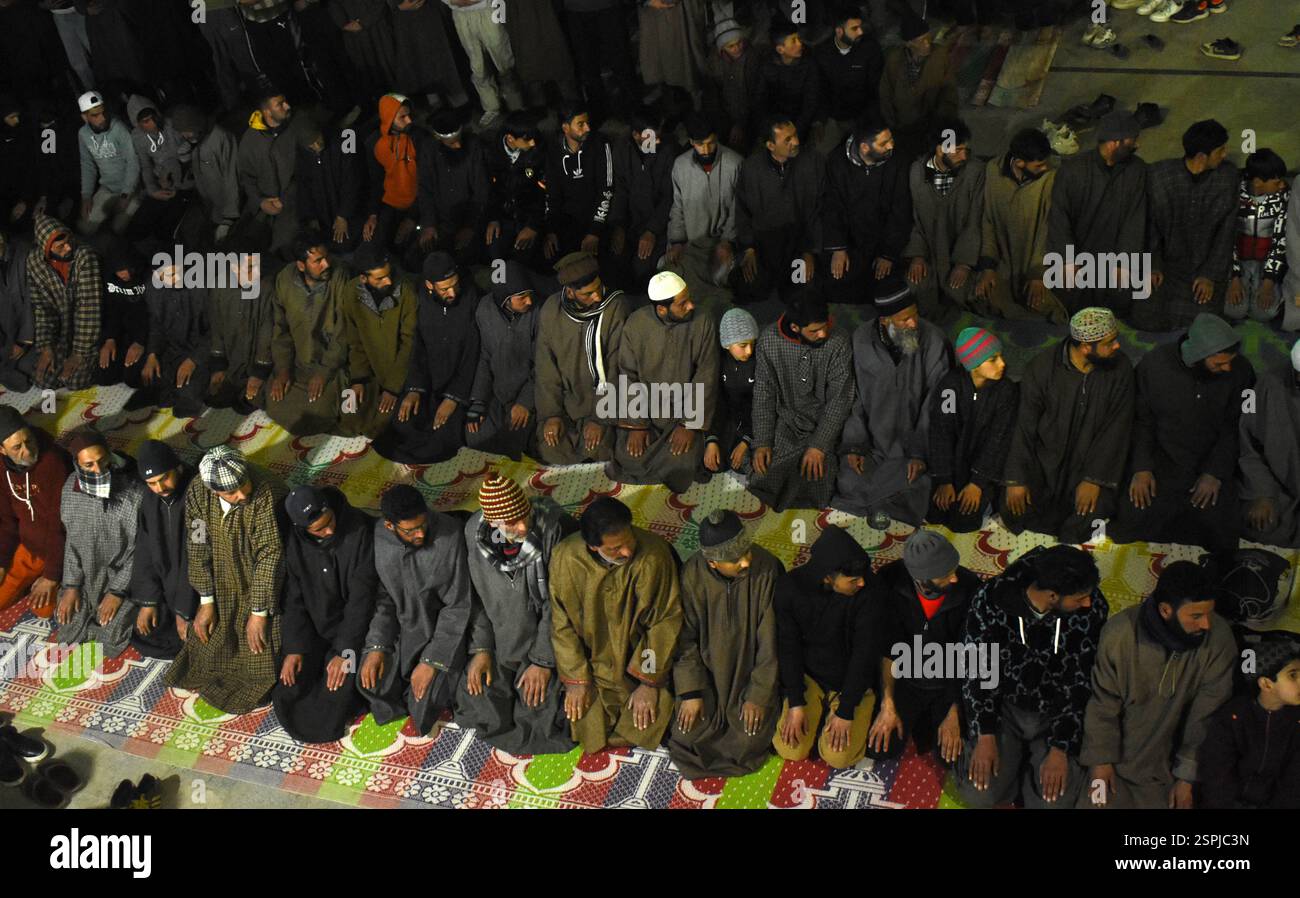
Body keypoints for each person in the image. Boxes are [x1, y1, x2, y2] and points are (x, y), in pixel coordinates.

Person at [956, 545, 1109, 808]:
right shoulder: (990, 601)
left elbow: (1081, 680)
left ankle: (1029, 773)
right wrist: (985, 734)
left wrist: (1060, 748)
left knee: (1056, 802)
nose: (1088, 601)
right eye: (1080, 597)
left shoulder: (1091, 610)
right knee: (979, 794)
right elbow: (976, 669)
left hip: (1055, 714)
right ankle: (1012, 770)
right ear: (1052, 595)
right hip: (1006, 708)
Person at [1080, 561, 1235, 809]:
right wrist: (1100, 763)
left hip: (1169, 772)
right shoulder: (1120, 634)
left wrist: (1186, 779)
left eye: (1209, 614)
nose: (1206, 624)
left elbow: (1206, 717)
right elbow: (1103, 704)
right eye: (1196, 616)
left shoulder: (1219, 639)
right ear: (1165, 610)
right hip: (1114, 761)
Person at [549, 496, 682, 753]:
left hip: (638, 662)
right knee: (569, 717)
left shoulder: (653, 556)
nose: (627, 552)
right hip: (592, 664)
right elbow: (561, 623)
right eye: (615, 549)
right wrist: (577, 680)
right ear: (592, 546)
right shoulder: (566, 558)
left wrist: (648, 682)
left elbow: (664, 623)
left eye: (629, 541)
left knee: (657, 719)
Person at [1109, 313, 1253, 551]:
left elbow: (1238, 426)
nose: (1228, 368)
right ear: (1197, 357)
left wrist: (1215, 472)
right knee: (1129, 520)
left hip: (1211, 461)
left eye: (1230, 361)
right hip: (1163, 461)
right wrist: (1142, 468)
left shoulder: (1242, 372)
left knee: (1222, 531)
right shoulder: (1154, 365)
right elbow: (1141, 420)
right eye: (1219, 364)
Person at [455, 474, 575, 755]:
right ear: (493, 523)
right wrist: (481, 649)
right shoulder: (476, 533)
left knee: (539, 711)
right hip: (501, 642)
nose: (522, 527)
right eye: (510, 524)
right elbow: (476, 597)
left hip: (546, 642)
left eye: (524, 517)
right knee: (478, 696)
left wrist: (542, 662)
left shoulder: (553, 529)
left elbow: (560, 602)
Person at [165, 446, 287, 715]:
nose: (242, 495)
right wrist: (206, 600)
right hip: (222, 580)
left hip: (261, 583)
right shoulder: (198, 491)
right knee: (206, 649)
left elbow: (270, 554)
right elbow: (197, 542)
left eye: (244, 485)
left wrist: (259, 612)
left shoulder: (268, 493)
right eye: (231, 493)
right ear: (213, 489)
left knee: (259, 655)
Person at [1002, 307, 1135, 544]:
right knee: (1013, 503)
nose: (1117, 346)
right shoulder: (1041, 368)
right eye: (1109, 342)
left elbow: (1117, 428)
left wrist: (1094, 479)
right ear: (1085, 346)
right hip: (1047, 462)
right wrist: (1017, 480)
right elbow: (1024, 425)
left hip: (1092, 463)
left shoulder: (1120, 368)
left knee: (1089, 513)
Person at [669, 509, 783, 779]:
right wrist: (691, 692)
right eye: (735, 559)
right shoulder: (692, 576)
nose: (746, 562)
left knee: (749, 738)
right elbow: (684, 639)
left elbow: (771, 641)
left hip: (749, 675)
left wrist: (758, 695)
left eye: (747, 552)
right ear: (712, 563)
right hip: (708, 677)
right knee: (688, 734)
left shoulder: (767, 569)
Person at [833, 279, 951, 528]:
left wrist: (919, 453)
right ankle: (884, 501)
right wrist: (855, 446)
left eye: (914, 315)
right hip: (875, 447)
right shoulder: (862, 340)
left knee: (920, 482)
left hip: (914, 450)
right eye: (904, 319)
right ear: (884, 320)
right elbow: (855, 396)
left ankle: (877, 502)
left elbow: (936, 402)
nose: (913, 323)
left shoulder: (934, 340)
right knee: (848, 476)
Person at [359, 484, 474, 736]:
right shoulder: (380, 537)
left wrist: (431, 661)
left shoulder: (450, 535)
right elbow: (386, 599)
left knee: (423, 702)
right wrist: (378, 646)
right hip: (404, 631)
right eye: (411, 531)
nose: (420, 534)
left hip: (442, 635)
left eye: (423, 525)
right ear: (390, 526)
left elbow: (457, 605)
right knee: (370, 680)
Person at [273, 485, 376, 744]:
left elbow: (361, 602)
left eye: (330, 522)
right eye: (319, 529)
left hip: (357, 634)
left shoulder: (360, 531)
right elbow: (295, 598)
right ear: (302, 529)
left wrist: (344, 652)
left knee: (338, 687)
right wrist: (295, 648)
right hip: (317, 631)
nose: (329, 531)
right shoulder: (296, 543)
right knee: (290, 683)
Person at [772, 525, 882, 769]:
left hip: (852, 683)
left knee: (838, 757)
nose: (862, 582)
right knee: (789, 748)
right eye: (853, 580)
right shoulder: (790, 588)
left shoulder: (868, 594)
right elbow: (788, 646)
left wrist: (845, 710)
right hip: (810, 677)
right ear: (827, 577)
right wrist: (796, 701)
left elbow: (864, 654)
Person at [867, 530, 981, 763]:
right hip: (906, 679)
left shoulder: (971, 588)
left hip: (948, 682)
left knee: (950, 758)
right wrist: (887, 704)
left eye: (953, 570)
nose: (954, 578)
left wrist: (954, 711)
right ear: (920, 580)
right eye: (945, 575)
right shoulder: (889, 582)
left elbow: (971, 655)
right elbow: (887, 647)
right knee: (880, 748)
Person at [606, 271, 717, 494]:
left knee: (682, 460)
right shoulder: (636, 325)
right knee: (627, 456)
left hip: (682, 413)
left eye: (689, 299)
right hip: (648, 413)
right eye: (682, 303)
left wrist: (688, 425)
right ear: (662, 309)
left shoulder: (703, 322)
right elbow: (628, 375)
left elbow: (706, 374)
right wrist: (638, 425)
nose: (691, 306)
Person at [748, 290, 855, 512]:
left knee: (818, 475)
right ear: (795, 327)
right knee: (764, 472)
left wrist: (819, 445)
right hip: (788, 421)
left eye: (825, 325)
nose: (824, 333)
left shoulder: (839, 341)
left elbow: (839, 399)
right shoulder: (769, 341)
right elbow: (763, 394)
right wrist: (763, 441)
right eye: (815, 331)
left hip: (825, 425)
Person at [372, 251, 480, 464]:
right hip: (428, 384)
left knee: (444, 434)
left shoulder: (471, 299)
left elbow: (473, 353)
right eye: (445, 288)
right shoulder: (418, 300)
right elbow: (415, 347)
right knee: (403, 424)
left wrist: (453, 398)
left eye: (455, 285)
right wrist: (414, 389)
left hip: (459, 384)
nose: (453, 292)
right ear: (430, 286)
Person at [1046, 113, 1147, 320]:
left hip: (1113, 256)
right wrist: (1067, 261)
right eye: (1132, 141)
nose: (1137, 145)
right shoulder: (1073, 170)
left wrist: (1124, 263)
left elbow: (1135, 219)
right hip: (1078, 253)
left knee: (1118, 306)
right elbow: (1059, 217)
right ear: (1114, 143)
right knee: (1071, 308)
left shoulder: (1136, 170)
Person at [1139, 119, 1238, 332]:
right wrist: (1153, 265)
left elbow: (1226, 233)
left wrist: (1209, 275)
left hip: (1205, 267)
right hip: (1169, 266)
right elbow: (1151, 226)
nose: (1225, 155)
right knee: (1144, 315)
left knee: (1204, 322)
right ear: (1202, 156)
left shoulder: (1227, 178)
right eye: (1220, 150)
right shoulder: (1160, 176)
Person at [52, 431, 143, 659]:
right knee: (67, 626)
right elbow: (72, 541)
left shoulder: (134, 493)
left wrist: (117, 592)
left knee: (111, 634)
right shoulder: (70, 489)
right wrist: (72, 585)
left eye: (102, 460)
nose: (98, 470)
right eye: (89, 465)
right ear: (77, 465)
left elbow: (140, 550)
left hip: (122, 578)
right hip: (87, 577)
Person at [533, 251, 629, 465]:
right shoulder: (551, 310)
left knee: (600, 449)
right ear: (569, 292)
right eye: (588, 294)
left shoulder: (614, 307)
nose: (597, 297)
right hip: (567, 406)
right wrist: (552, 415)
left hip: (603, 405)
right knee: (551, 447)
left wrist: (600, 419)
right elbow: (545, 369)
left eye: (598, 289)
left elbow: (616, 369)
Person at [927, 327, 1018, 533]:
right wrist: (944, 480)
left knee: (965, 521)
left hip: (984, 468)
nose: (1002, 364)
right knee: (936, 513)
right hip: (954, 464)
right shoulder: (950, 387)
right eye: (993, 359)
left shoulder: (1006, 391)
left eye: (1000, 357)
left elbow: (998, 440)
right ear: (973, 365)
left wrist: (978, 483)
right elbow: (941, 433)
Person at [265, 235, 353, 437]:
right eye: (318, 261)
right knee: (274, 403)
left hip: (333, 364)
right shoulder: (285, 279)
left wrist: (324, 372)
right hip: (300, 364)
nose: (326, 264)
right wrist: (282, 369)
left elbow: (344, 332)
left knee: (321, 411)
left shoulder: (339, 277)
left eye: (326, 257)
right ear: (301, 266)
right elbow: (280, 329)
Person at [975, 128, 1066, 323]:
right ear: (1019, 163)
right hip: (1005, 263)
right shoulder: (993, 171)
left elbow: (1048, 229)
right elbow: (988, 220)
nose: (1044, 168)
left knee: (1042, 304)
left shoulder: (1051, 178)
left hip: (1037, 263)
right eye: (1039, 165)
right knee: (984, 295)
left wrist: (1038, 275)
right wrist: (988, 266)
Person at [821, 117, 911, 307]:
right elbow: (832, 206)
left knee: (889, 289)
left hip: (883, 240)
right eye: (884, 143)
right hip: (851, 241)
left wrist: (888, 253)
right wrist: (838, 248)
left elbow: (900, 210)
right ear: (864, 148)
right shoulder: (836, 162)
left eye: (891, 139)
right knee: (837, 282)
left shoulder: (897, 162)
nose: (891, 146)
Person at [733, 116, 824, 305]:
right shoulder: (751, 168)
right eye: (788, 140)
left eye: (795, 136)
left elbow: (818, 209)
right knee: (751, 286)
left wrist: (810, 251)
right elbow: (743, 210)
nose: (796, 142)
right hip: (765, 245)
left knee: (803, 289)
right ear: (770, 145)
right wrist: (748, 247)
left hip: (799, 244)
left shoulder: (812, 162)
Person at [1198, 643, 1300, 809]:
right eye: (1293, 675)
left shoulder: (1295, 722)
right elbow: (1217, 775)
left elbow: (1293, 783)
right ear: (1266, 684)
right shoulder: (1234, 717)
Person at [903, 118, 984, 322]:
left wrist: (964, 263)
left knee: (968, 293)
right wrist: (917, 256)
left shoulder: (974, 171)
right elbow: (912, 219)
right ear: (940, 149)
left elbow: (975, 219)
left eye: (966, 149)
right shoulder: (916, 172)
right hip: (929, 254)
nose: (964, 156)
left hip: (958, 255)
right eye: (957, 150)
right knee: (915, 287)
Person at [340, 244, 418, 440]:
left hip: (400, 379)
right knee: (348, 417)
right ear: (364, 279)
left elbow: (410, 344)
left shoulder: (406, 292)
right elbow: (354, 340)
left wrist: (393, 388)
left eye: (388, 274)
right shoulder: (351, 292)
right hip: (370, 375)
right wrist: (358, 379)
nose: (388, 281)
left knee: (381, 430)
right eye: (380, 278)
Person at [664, 114, 743, 308]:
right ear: (691, 142)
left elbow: (738, 209)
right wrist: (677, 241)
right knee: (671, 277)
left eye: (710, 143)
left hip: (721, 243)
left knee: (723, 278)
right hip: (691, 244)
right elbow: (678, 206)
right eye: (700, 144)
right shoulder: (680, 165)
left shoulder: (735, 163)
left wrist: (727, 242)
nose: (706, 149)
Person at [128, 441, 197, 660]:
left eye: (164, 478)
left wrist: (184, 610)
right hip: (169, 589)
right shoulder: (150, 501)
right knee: (144, 632)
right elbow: (144, 550)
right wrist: (149, 601)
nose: (160, 488)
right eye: (152, 483)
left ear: (178, 468)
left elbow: (198, 556)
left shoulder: (196, 494)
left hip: (197, 591)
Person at [0, 408, 70, 615]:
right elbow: (6, 520)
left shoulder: (53, 462)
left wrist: (51, 575)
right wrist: (2, 560)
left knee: (44, 610)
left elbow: (59, 524)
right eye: (17, 448)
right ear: (2, 450)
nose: (28, 451)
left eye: (28, 441)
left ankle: (47, 582)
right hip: (27, 545)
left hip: (58, 547)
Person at [466, 260, 538, 460]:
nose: (529, 301)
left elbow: (543, 365)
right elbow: (485, 356)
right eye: (521, 297)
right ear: (505, 298)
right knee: (476, 436)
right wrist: (478, 401)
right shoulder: (485, 309)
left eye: (529, 294)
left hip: (530, 395)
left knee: (514, 445)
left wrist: (525, 402)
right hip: (498, 394)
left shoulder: (537, 315)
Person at [26, 213, 100, 391]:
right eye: (60, 247)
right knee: (44, 381)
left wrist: (79, 353)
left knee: (75, 381)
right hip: (60, 332)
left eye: (68, 241)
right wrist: (46, 346)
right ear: (47, 248)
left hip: (86, 332)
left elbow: (89, 308)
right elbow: (42, 309)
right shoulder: (35, 263)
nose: (67, 248)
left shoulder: (84, 256)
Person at [608, 107, 679, 292]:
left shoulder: (667, 152)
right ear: (637, 135)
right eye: (651, 137)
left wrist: (651, 231)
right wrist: (619, 226)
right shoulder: (622, 150)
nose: (658, 140)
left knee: (642, 270)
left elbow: (668, 197)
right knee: (616, 262)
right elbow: (620, 190)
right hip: (632, 224)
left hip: (657, 226)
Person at [1238, 339, 1300, 548]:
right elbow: (1249, 446)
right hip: (1280, 490)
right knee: (1262, 525)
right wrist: (1263, 493)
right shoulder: (1268, 384)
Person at [1225, 149, 1295, 330]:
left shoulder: (1283, 197)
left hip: (1266, 263)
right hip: (1235, 262)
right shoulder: (1233, 193)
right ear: (1257, 181)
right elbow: (1225, 238)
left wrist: (1268, 282)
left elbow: (1280, 240)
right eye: (1277, 181)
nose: (1282, 185)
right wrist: (1234, 277)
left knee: (1265, 313)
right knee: (1234, 311)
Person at [878, 14, 957, 164]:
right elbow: (885, 94)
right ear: (908, 44)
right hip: (903, 127)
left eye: (928, 38)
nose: (927, 44)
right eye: (921, 41)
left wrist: (942, 122)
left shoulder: (940, 56)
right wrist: (892, 125)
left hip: (931, 125)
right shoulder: (894, 61)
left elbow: (949, 93)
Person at [416, 110, 490, 266]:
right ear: (438, 138)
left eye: (459, 139)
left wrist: (470, 226)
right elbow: (425, 188)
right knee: (417, 258)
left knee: (465, 258)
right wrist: (428, 224)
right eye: (451, 143)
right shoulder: (428, 149)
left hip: (469, 216)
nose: (458, 145)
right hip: (441, 219)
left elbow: (481, 191)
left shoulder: (474, 146)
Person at [543, 103, 613, 264]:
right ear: (565, 128)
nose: (587, 128)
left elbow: (606, 190)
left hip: (598, 219)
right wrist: (551, 230)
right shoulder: (553, 150)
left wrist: (594, 231)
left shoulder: (600, 144)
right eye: (580, 124)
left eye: (587, 123)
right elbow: (552, 193)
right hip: (568, 221)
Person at [205, 249, 274, 413]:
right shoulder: (220, 287)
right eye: (249, 268)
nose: (255, 273)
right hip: (233, 361)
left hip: (261, 361)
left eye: (256, 267)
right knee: (213, 396)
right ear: (234, 268)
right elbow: (216, 328)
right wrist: (218, 366)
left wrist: (259, 373)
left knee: (250, 402)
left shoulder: (267, 288)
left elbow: (268, 333)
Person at [142, 254, 210, 418]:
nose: (177, 278)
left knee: (187, 402)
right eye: (170, 275)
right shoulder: (152, 289)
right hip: (171, 351)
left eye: (178, 271)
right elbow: (156, 325)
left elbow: (214, 332)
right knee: (153, 388)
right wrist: (152, 354)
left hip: (199, 352)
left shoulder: (200, 288)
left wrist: (193, 361)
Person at [441, 0, 524, 130]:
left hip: (489, 10)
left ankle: (516, 104)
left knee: (504, 60)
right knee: (477, 66)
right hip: (460, 14)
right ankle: (491, 106)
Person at [236, 89, 300, 256]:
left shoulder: (295, 130)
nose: (287, 106)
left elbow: (305, 172)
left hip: (293, 204)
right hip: (263, 206)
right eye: (279, 104)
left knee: (287, 244)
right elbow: (246, 177)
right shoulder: (250, 140)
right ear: (267, 111)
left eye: (285, 101)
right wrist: (260, 201)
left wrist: (285, 200)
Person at [363, 94, 427, 259]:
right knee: (377, 244)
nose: (409, 121)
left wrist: (413, 217)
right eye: (402, 117)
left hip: (419, 202)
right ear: (389, 118)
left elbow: (429, 181)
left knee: (412, 251)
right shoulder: (374, 144)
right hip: (391, 203)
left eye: (409, 115)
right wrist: (372, 214)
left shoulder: (419, 138)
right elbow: (376, 180)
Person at [812, 3, 884, 149]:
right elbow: (819, 90)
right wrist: (819, 120)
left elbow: (875, 90)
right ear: (839, 32)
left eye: (860, 27)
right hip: (832, 116)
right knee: (821, 151)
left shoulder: (870, 49)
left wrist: (870, 122)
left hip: (861, 116)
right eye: (854, 29)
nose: (860, 32)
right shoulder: (822, 53)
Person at [482, 112, 548, 270]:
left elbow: (545, 192)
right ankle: (500, 289)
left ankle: (520, 289)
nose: (532, 143)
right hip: (503, 216)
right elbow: (488, 188)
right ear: (510, 139)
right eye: (527, 139)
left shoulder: (539, 152)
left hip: (529, 215)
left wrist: (533, 225)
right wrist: (493, 218)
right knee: (496, 255)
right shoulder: (491, 152)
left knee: (524, 257)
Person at [171, 105, 240, 247]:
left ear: (197, 124)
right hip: (210, 208)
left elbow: (232, 177)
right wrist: (185, 160)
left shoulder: (221, 139)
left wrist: (229, 218)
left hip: (228, 211)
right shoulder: (195, 139)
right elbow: (200, 173)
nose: (185, 136)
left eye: (187, 131)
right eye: (182, 133)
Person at [296, 122, 367, 256]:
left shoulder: (346, 138)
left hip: (349, 211)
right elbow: (304, 186)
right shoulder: (303, 152)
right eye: (311, 144)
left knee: (349, 244)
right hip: (324, 213)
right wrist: (310, 217)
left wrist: (343, 215)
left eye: (317, 139)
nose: (317, 145)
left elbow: (353, 178)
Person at [76, 91, 140, 235]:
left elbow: (133, 161)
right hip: (107, 187)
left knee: (119, 228)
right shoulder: (83, 134)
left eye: (102, 112)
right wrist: (86, 196)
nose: (102, 118)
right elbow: (87, 165)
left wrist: (126, 195)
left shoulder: (118, 128)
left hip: (131, 188)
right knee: (85, 227)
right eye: (95, 115)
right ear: (85, 117)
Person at [704, 307, 756, 476]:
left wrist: (746, 441)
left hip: (752, 425)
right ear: (727, 344)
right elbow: (716, 401)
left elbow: (763, 407)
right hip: (728, 422)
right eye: (743, 345)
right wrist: (712, 439)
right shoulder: (718, 361)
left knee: (743, 464)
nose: (749, 351)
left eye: (752, 344)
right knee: (713, 463)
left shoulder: (759, 362)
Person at [750, 19, 819, 146]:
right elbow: (759, 102)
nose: (800, 44)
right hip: (775, 125)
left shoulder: (809, 64)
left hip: (800, 124)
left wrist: (794, 132)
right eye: (793, 41)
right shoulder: (766, 66)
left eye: (798, 38)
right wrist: (770, 130)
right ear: (780, 49)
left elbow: (810, 103)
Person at [704, 18, 760, 155]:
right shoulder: (714, 65)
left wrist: (741, 123)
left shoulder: (752, 58)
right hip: (724, 117)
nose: (737, 48)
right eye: (731, 46)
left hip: (749, 114)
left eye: (739, 42)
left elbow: (757, 93)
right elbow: (713, 99)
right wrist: (730, 125)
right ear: (722, 48)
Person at [0, 231, 36, 391]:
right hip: (6, 335)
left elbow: (31, 302)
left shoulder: (23, 254)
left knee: (26, 370)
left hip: (28, 332)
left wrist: (22, 341)